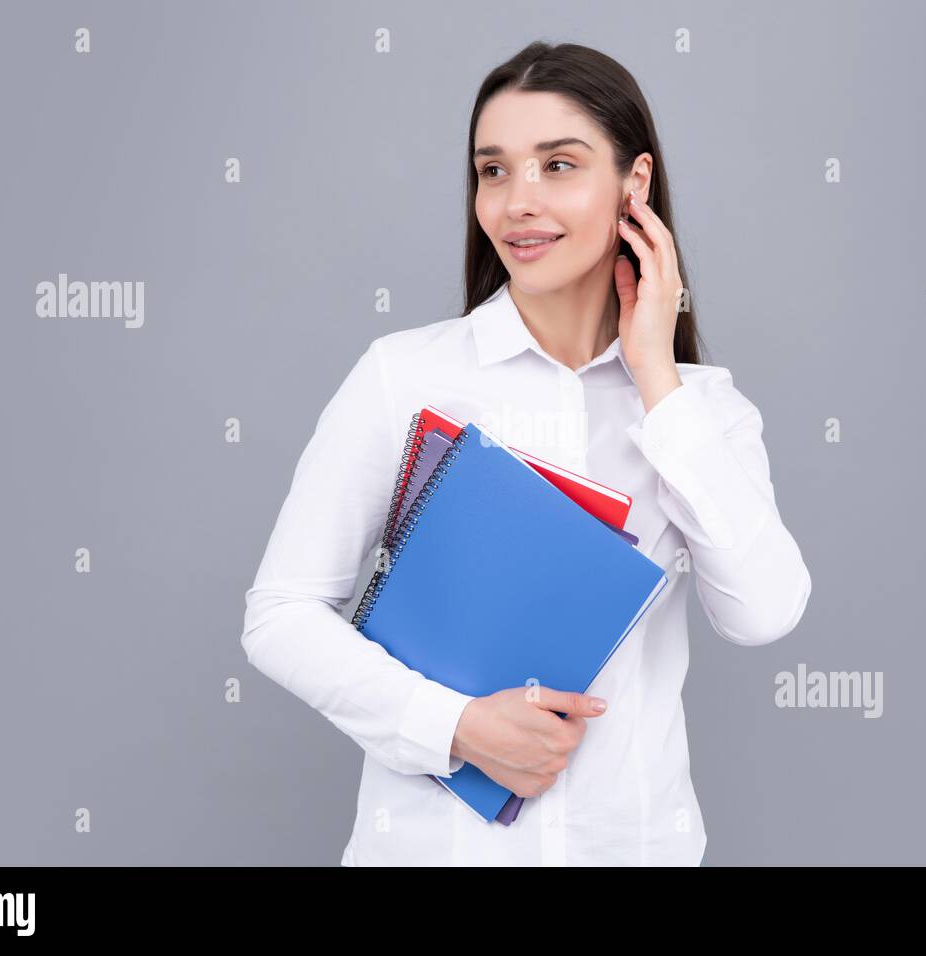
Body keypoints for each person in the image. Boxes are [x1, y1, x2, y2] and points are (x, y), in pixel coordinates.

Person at [240, 40, 811, 866]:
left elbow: (763, 614)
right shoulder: (403, 377)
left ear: (635, 185)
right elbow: (280, 616)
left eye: (558, 164)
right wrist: (457, 728)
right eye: (495, 170)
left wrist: (656, 375)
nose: (517, 202)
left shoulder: (701, 408)